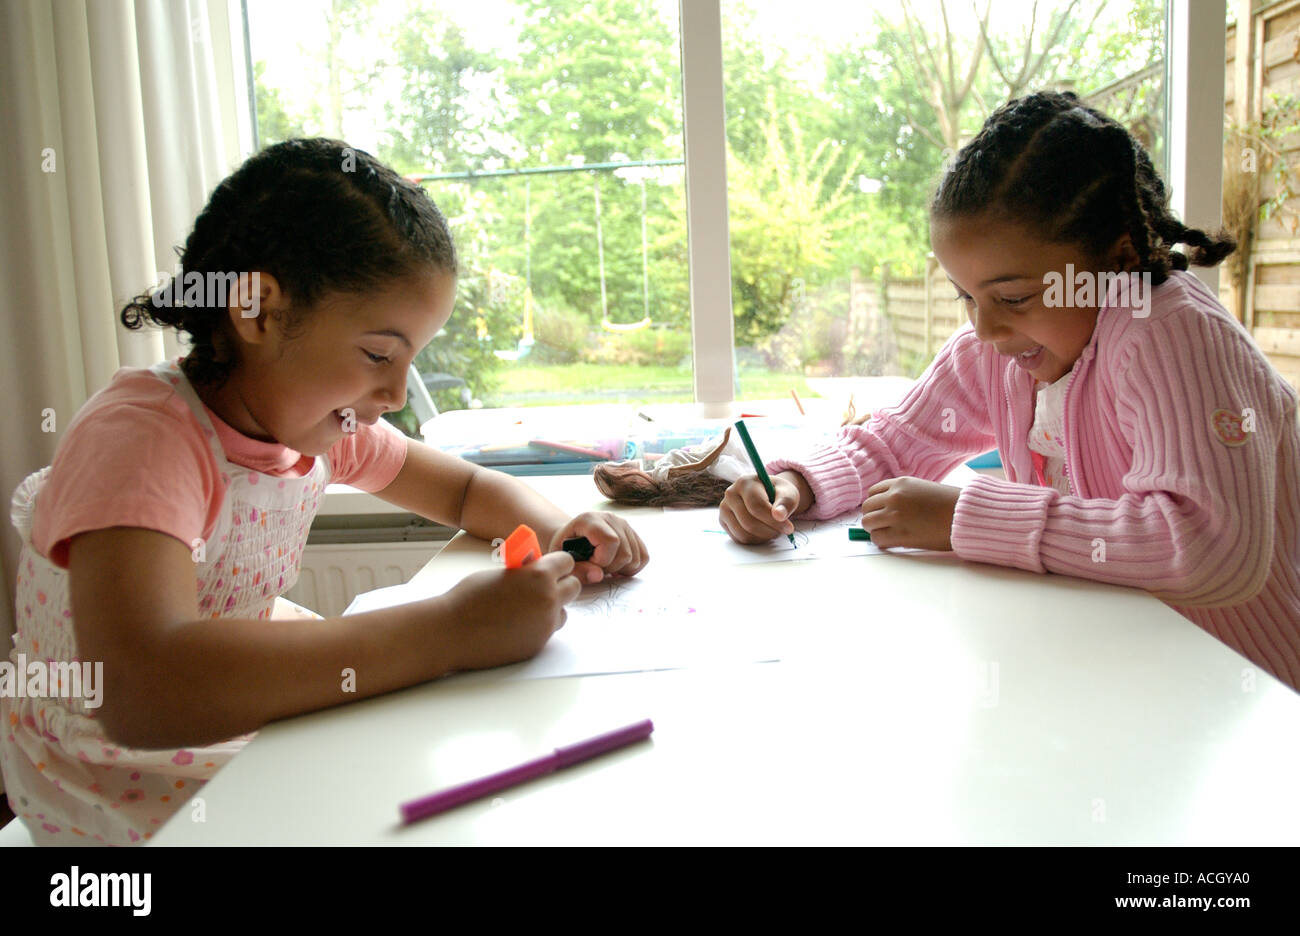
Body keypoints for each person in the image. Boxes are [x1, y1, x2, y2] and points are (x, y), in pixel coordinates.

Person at [2, 138, 648, 845]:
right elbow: (141, 692)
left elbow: (465, 490)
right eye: (377, 354)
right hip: (119, 770)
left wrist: (564, 534)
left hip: (229, 705)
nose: (395, 393)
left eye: (408, 361)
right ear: (256, 311)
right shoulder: (142, 439)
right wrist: (452, 630)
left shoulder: (320, 424)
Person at [721, 91, 1300, 693]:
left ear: (1119, 260)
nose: (985, 328)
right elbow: (897, 440)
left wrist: (964, 517)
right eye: (966, 296)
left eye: (1014, 297)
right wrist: (797, 485)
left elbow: (1210, 546)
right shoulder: (1001, 352)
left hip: (1243, 693)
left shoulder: (1169, 332)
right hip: (1111, 675)